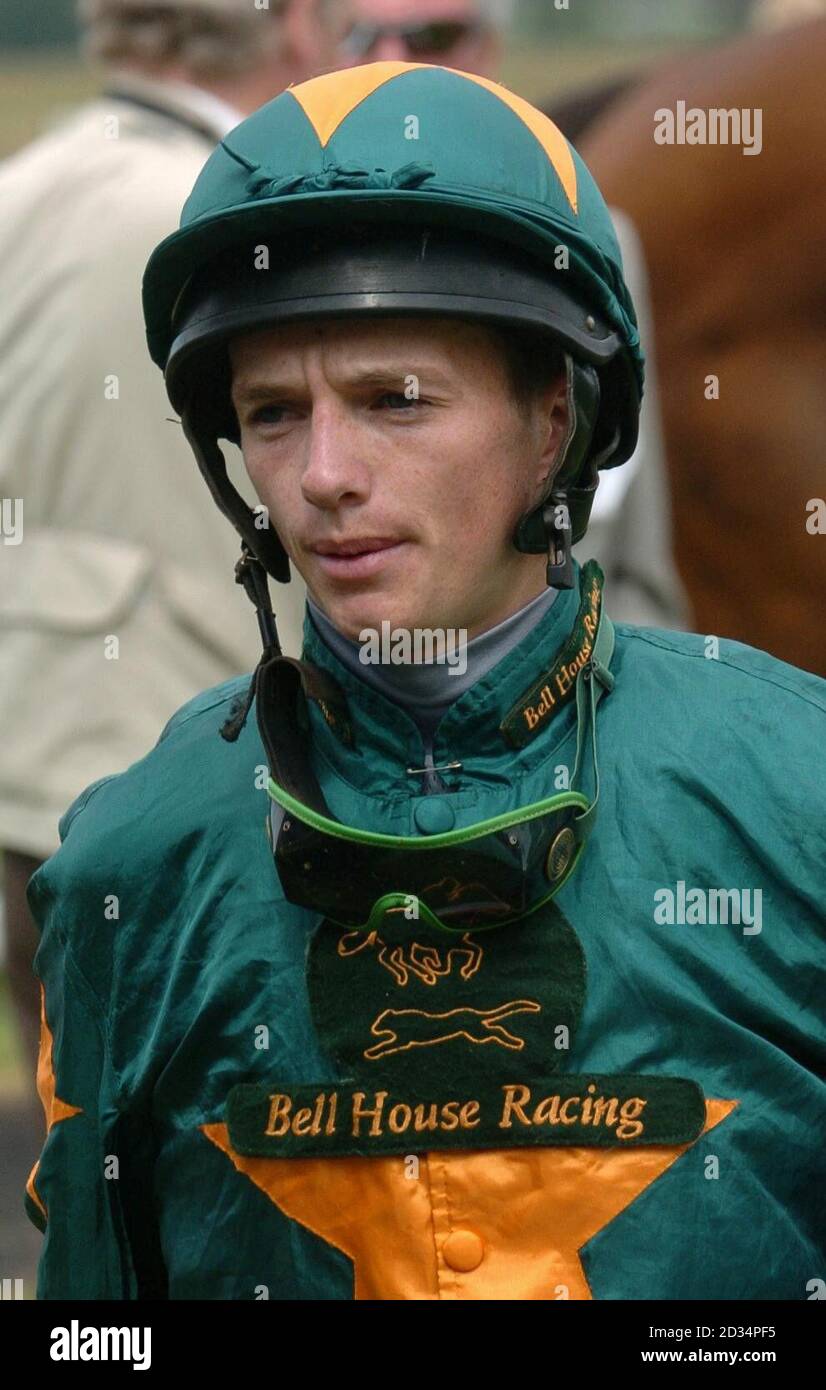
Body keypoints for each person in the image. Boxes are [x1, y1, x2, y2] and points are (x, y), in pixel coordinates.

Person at [24, 63, 824, 1300]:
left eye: (394, 399)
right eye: (274, 412)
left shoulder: (800, 802)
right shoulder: (134, 860)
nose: (323, 475)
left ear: (553, 422)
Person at [0, 0, 332, 1080]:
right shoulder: (219, 216)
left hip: (26, 747)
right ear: (288, 25)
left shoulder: (28, 182)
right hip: (186, 745)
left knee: (80, 1146)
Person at [336, 0, 689, 630]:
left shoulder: (597, 249)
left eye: (433, 37)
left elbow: (634, 553)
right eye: (359, 35)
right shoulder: (251, 259)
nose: (392, 61)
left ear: (489, 52)